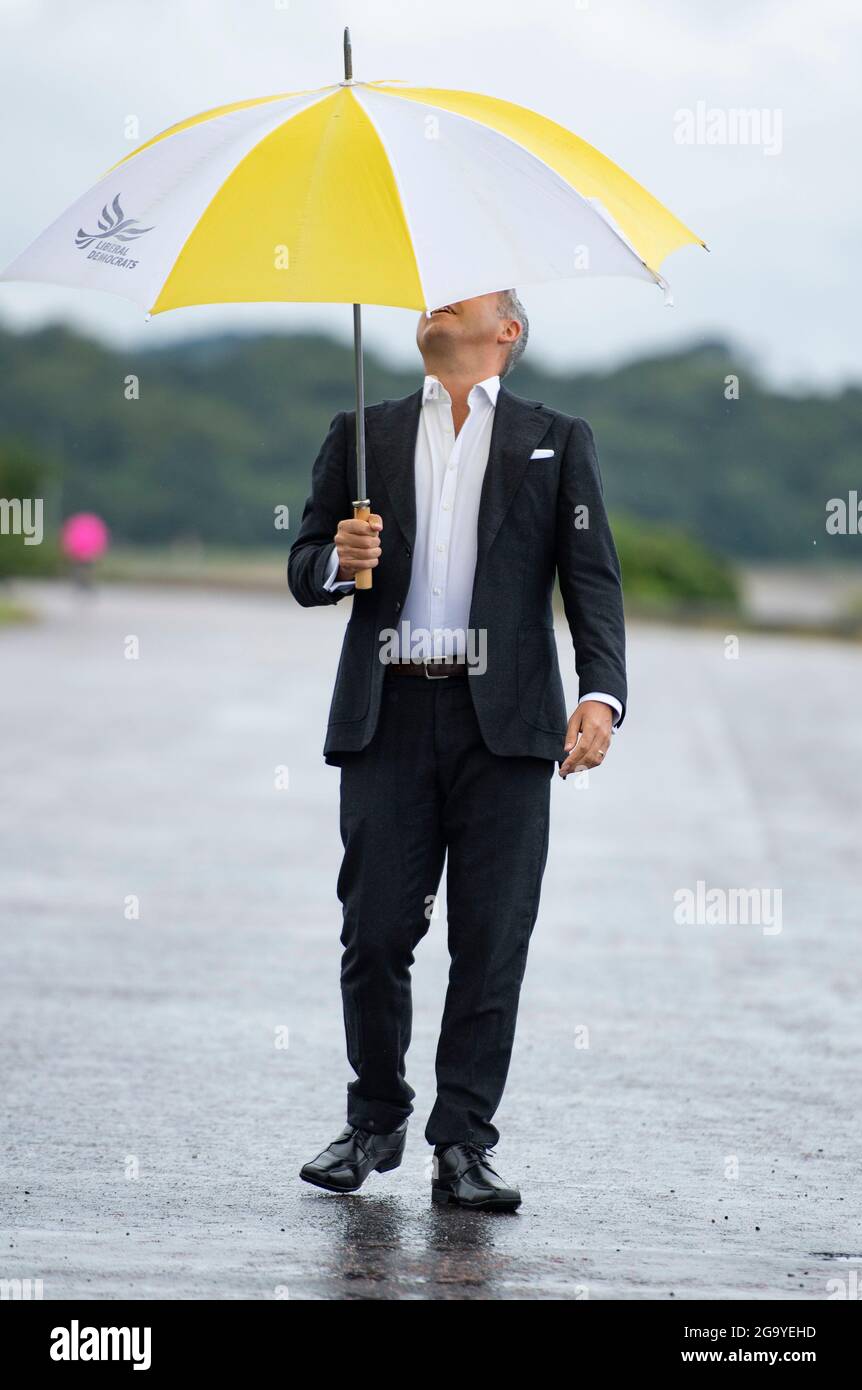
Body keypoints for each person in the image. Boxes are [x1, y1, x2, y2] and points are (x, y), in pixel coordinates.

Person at [288, 291, 626, 1210]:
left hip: (509, 728)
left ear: (507, 330)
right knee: (376, 930)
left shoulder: (559, 438)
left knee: (491, 941)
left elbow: (591, 579)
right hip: (387, 715)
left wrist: (602, 695)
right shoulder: (364, 431)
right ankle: (374, 1119)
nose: (434, 298)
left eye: (462, 290)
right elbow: (304, 563)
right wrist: (337, 560)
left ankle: (464, 1144)